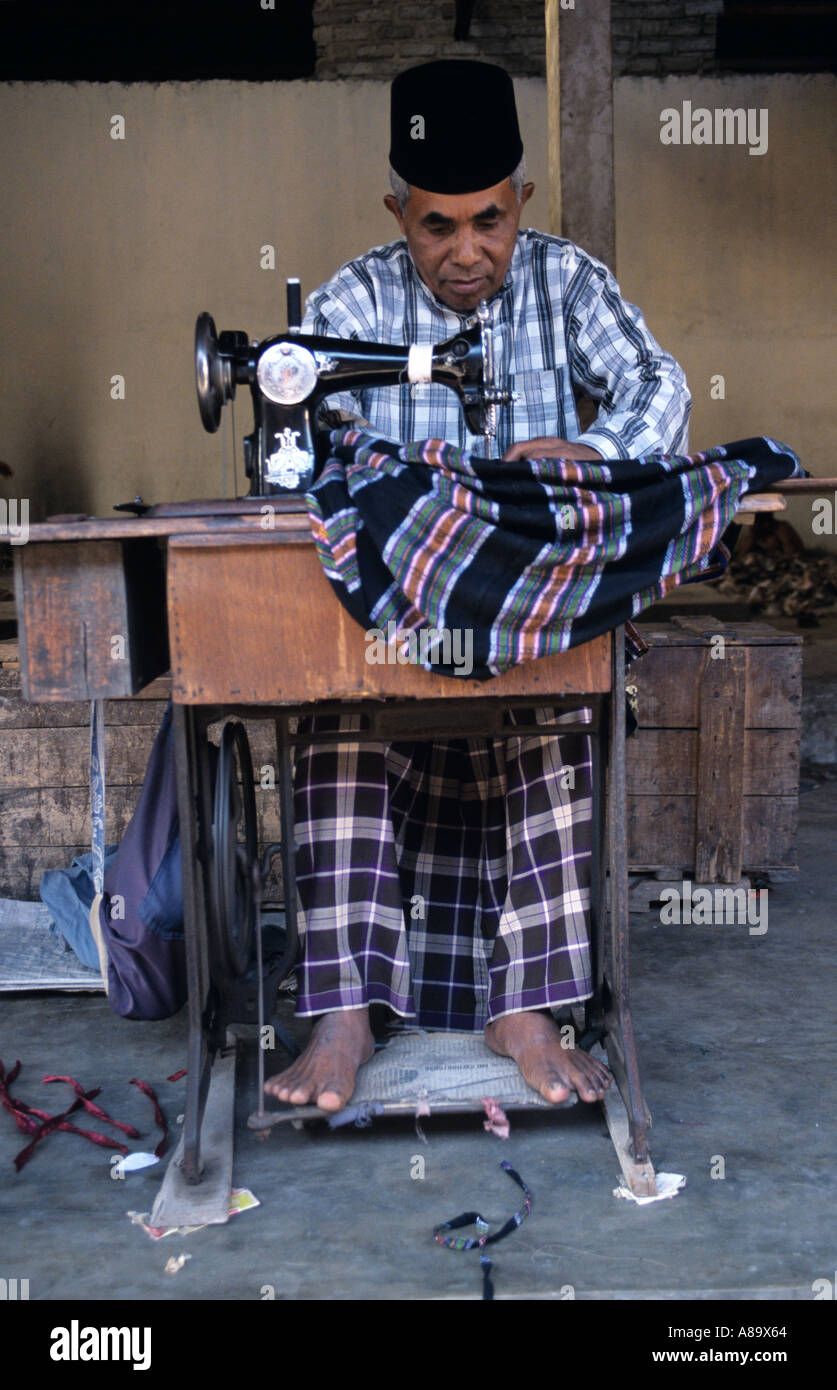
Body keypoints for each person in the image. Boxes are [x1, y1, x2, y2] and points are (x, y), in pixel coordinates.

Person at [265, 59, 690, 1113]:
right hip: (400, 630)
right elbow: (320, 458)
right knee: (338, 716)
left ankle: (526, 1007)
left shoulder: (567, 283)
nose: (467, 253)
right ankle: (346, 1010)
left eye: (489, 222)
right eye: (437, 226)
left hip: (530, 621)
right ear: (396, 211)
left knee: (552, 703)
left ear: (523, 203)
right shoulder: (354, 302)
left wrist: (584, 453)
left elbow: (662, 388)